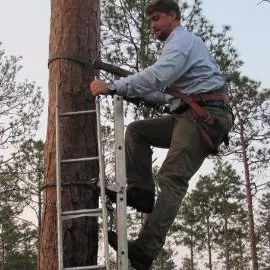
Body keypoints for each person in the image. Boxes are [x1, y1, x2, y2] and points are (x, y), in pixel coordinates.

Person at [90, 0, 233, 269]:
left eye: (157, 19)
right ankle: (141, 192)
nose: (153, 26)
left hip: (206, 115)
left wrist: (114, 86)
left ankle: (145, 250)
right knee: (137, 132)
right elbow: (162, 93)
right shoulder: (174, 48)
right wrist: (124, 89)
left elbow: (158, 76)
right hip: (189, 114)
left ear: (174, 17)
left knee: (172, 179)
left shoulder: (182, 41)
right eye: (150, 22)